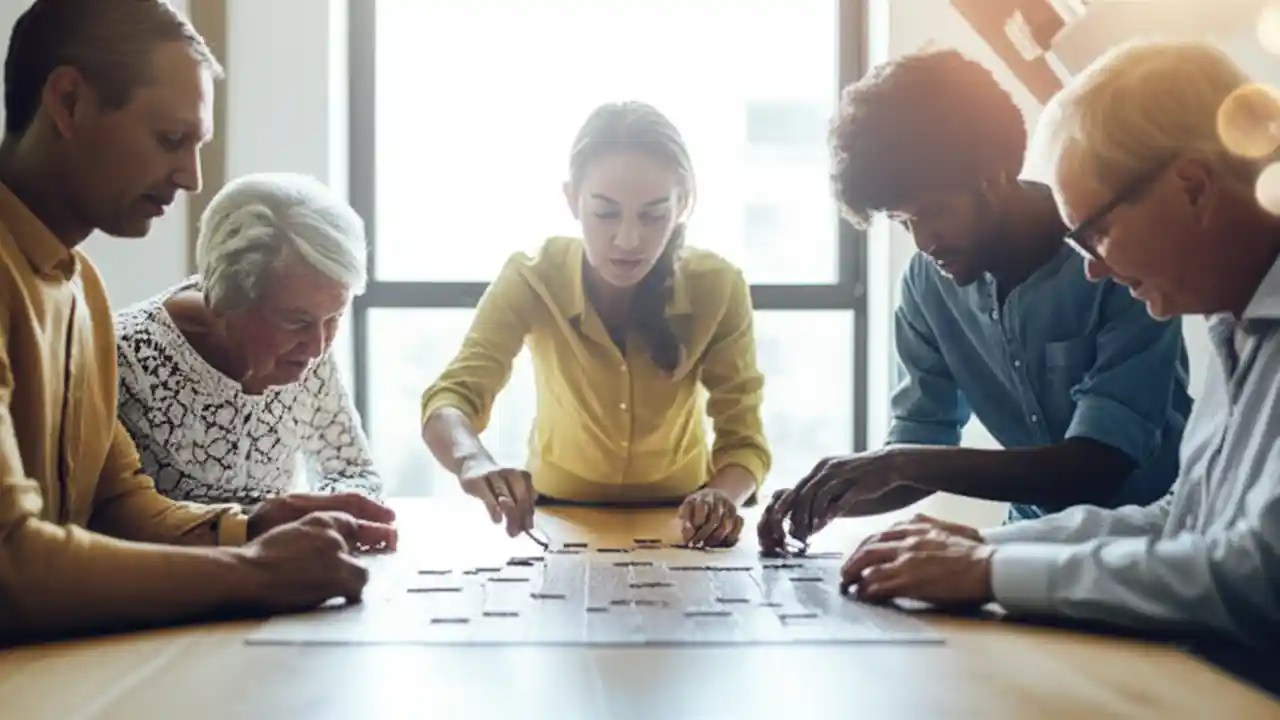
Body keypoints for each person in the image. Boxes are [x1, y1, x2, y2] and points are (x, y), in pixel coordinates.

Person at [838, 40, 1280, 647]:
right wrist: (981, 547)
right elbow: (1181, 522)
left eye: (1097, 232)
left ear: (1194, 187)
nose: (1093, 267)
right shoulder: (1237, 327)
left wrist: (989, 569)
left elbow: (1255, 576)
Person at [0, 0, 394, 644]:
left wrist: (255, 525)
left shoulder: (81, 290)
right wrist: (253, 572)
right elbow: (11, 564)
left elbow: (119, 503)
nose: (191, 177)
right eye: (170, 139)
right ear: (67, 102)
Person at [759, 49, 1192, 551]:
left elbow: (1098, 463)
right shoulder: (925, 286)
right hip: (1029, 543)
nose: (923, 241)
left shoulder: (1116, 260)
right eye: (903, 221)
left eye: (934, 212)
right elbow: (921, 444)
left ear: (992, 177)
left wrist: (899, 462)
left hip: (1160, 550)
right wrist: (824, 496)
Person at [422, 101, 770, 548]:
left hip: (683, 529)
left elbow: (745, 442)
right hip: (554, 523)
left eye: (653, 214)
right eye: (605, 213)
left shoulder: (719, 287)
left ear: (682, 204)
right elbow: (452, 396)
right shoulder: (532, 276)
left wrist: (722, 498)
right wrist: (473, 460)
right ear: (572, 199)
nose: (628, 239)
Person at [116, 172, 381, 506]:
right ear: (227, 299)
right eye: (295, 321)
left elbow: (351, 473)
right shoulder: (124, 358)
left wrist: (332, 510)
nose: (317, 346)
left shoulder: (308, 348)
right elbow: (101, 519)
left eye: (335, 317)